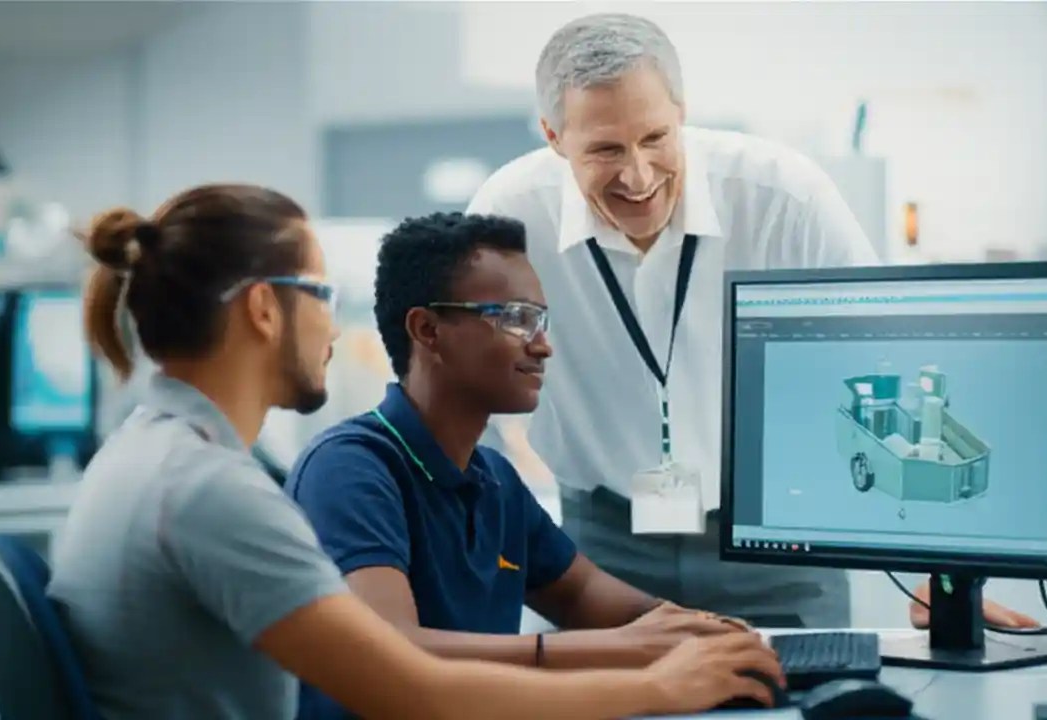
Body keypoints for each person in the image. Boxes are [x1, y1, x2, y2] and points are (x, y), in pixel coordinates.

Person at [47, 183, 785, 720]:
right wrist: (655, 682)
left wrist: (691, 633)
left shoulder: (152, 455)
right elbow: (412, 687)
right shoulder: (213, 490)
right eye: (322, 296)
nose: (334, 329)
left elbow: (580, 594)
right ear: (265, 308)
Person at [465, 12, 1039, 631]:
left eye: (655, 137)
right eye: (606, 149)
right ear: (554, 137)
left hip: (781, 533)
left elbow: (889, 360)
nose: (638, 175)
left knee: (819, 681)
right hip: (601, 548)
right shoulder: (509, 216)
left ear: (682, 111)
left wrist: (939, 564)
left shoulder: (785, 198)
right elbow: (458, 381)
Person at [288, 212, 781, 720]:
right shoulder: (349, 469)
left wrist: (700, 631)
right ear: (428, 330)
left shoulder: (494, 477)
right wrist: (626, 651)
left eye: (541, 321)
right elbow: (391, 647)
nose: (543, 345)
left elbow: (582, 592)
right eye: (516, 319)